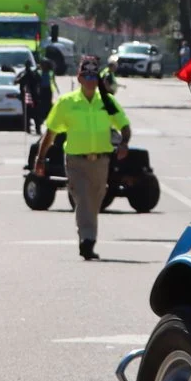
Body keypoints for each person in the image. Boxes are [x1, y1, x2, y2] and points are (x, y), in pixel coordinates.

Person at [36, 58, 129, 259]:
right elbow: (51, 133)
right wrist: (40, 158)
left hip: (101, 161)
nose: (89, 80)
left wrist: (124, 143)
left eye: (93, 76)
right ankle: (87, 240)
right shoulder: (67, 103)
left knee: (95, 200)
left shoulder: (107, 101)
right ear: (79, 78)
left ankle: (88, 236)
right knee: (83, 199)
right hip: (75, 161)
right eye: (86, 76)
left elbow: (124, 127)